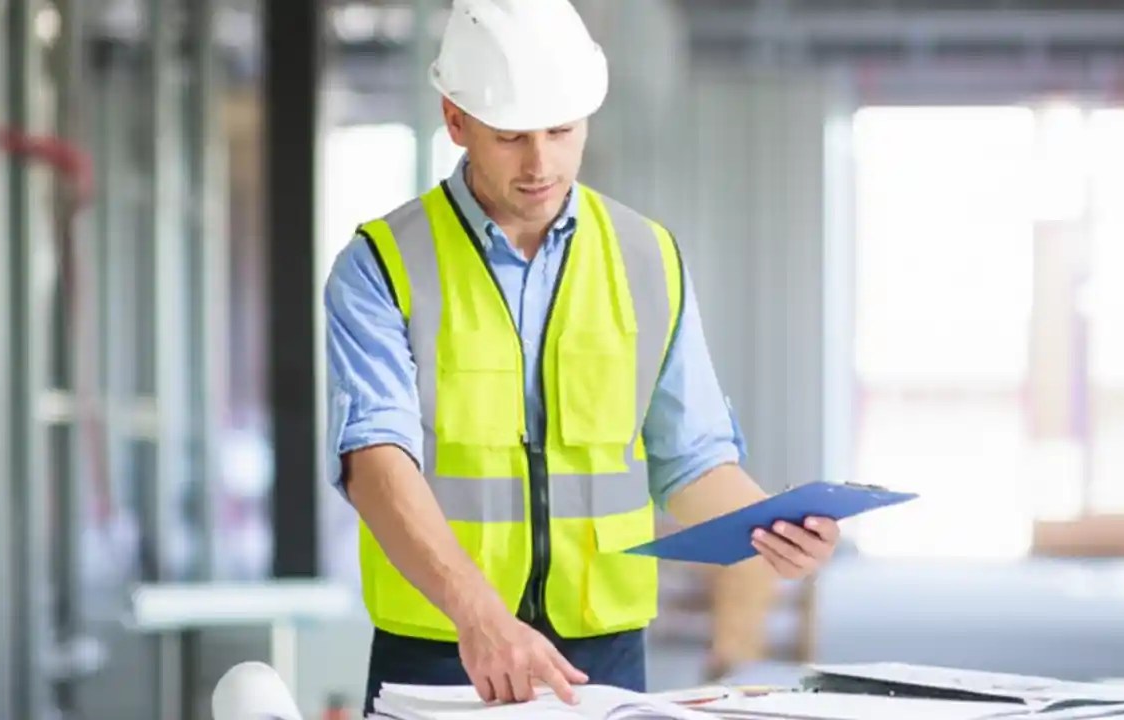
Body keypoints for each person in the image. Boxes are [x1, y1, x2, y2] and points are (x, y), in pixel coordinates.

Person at [322, 0, 841, 712]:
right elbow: (376, 464)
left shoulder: (645, 257)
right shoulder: (382, 265)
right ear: (456, 121)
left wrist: (773, 526)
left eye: (562, 131)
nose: (541, 163)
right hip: (445, 645)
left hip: (605, 652)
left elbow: (689, 458)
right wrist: (480, 617)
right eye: (510, 137)